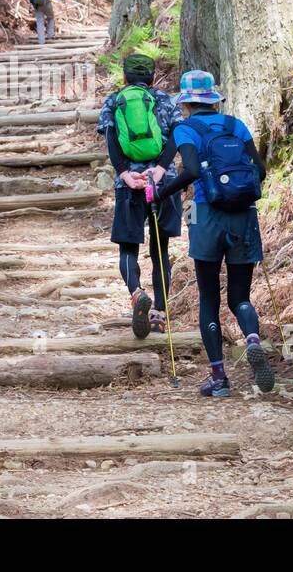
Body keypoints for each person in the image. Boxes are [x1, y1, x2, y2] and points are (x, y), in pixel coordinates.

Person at [151, 70, 275, 397]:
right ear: (214, 99)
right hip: (243, 216)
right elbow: (259, 171)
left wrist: (163, 194)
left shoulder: (186, 129)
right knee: (240, 298)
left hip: (205, 216)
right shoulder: (237, 126)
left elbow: (191, 171)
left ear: (187, 103)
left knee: (209, 297)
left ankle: (219, 379)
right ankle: (251, 339)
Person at [97, 54, 183, 339]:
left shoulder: (115, 101)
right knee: (161, 251)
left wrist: (124, 173)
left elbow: (111, 139)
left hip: (129, 186)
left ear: (124, 77)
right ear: (153, 77)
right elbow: (177, 138)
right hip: (163, 184)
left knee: (127, 247)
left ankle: (136, 293)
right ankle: (159, 314)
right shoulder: (167, 101)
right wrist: (159, 170)